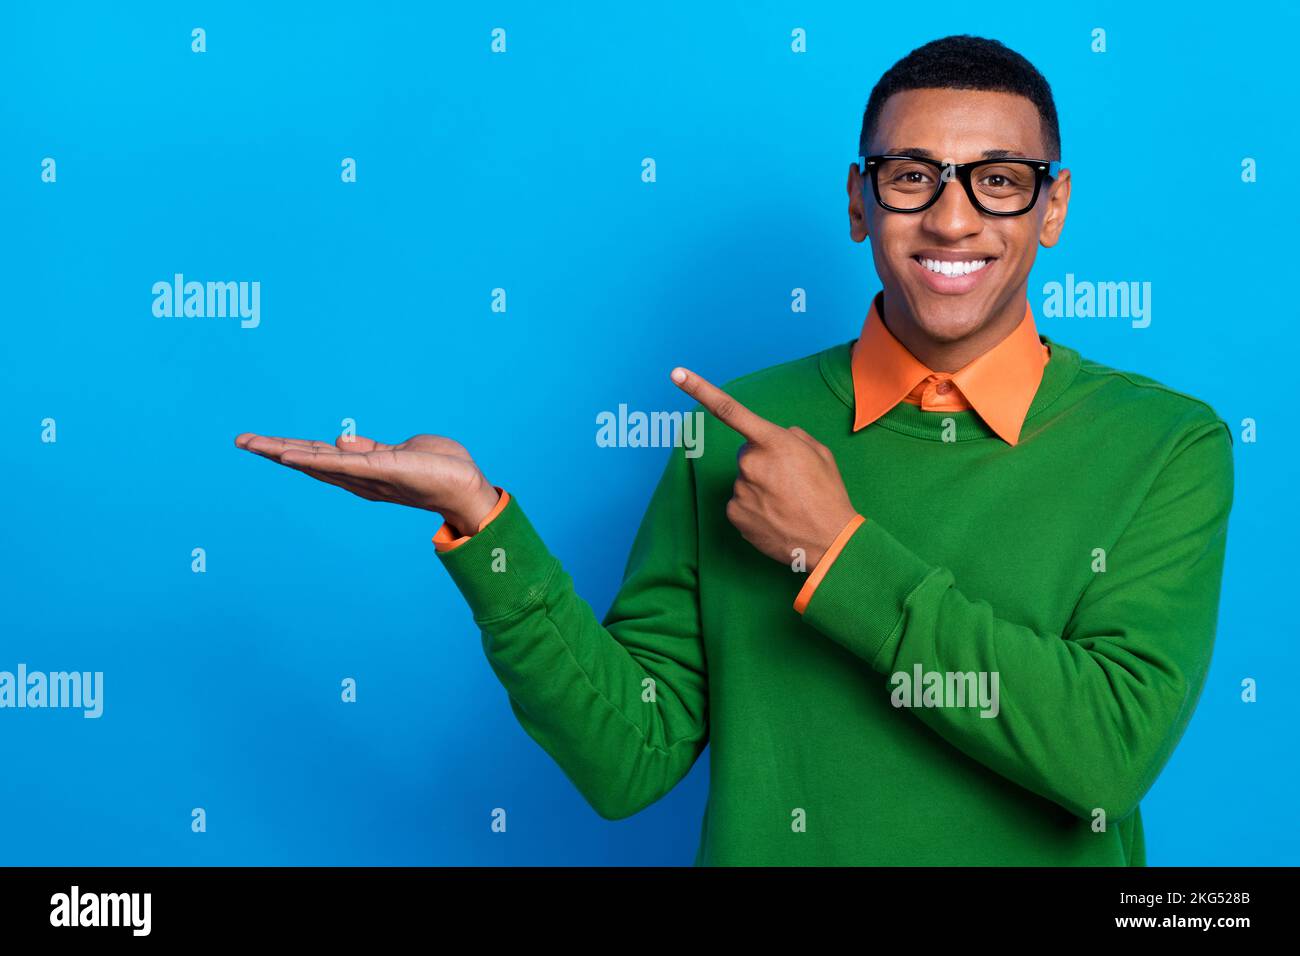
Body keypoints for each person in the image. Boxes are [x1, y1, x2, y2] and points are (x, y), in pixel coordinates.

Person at [235, 35, 1234, 866]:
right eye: (910, 175)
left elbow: (1104, 755)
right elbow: (630, 757)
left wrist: (835, 549)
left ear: (1052, 207)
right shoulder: (736, 427)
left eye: (999, 181)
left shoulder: (1163, 443)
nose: (951, 214)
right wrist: (483, 524)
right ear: (858, 201)